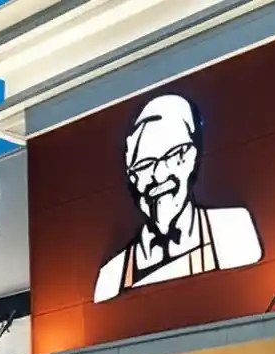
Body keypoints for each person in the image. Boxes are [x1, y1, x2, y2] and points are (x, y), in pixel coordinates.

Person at [94, 94, 262, 303]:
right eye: (145, 165)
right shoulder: (111, 277)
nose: (159, 175)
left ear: (191, 157)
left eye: (172, 156)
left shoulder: (233, 230)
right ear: (133, 177)